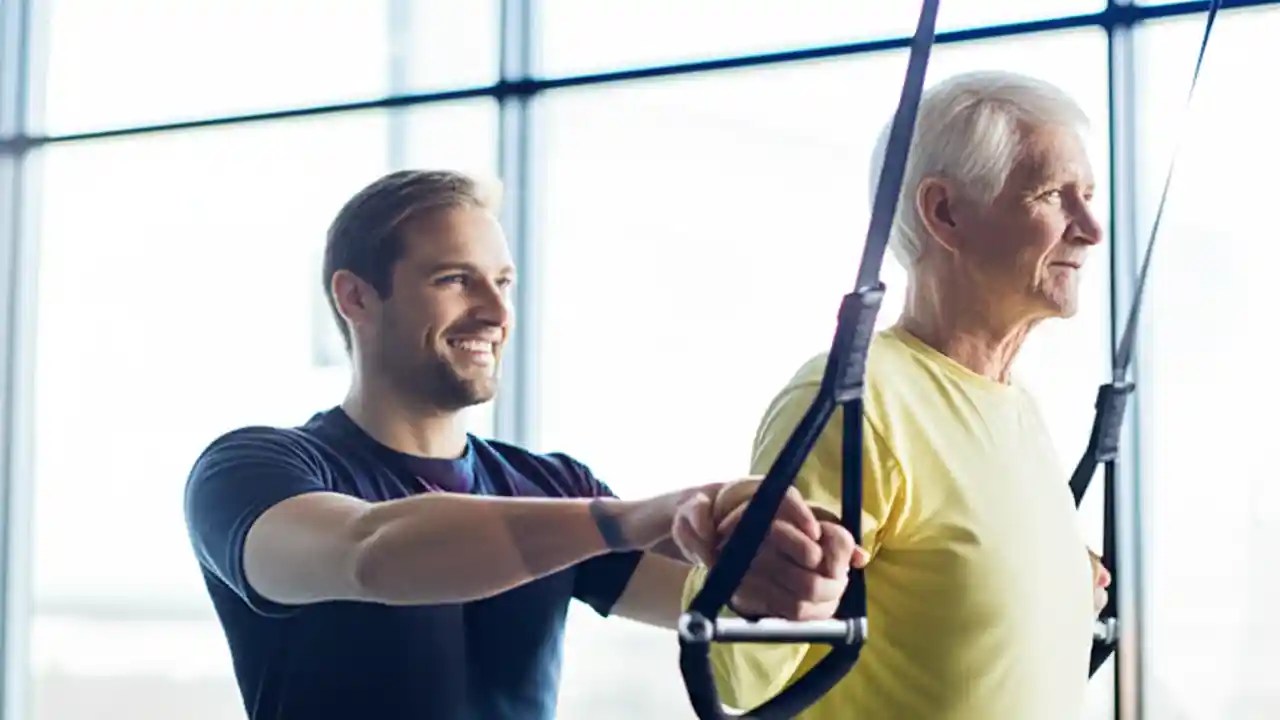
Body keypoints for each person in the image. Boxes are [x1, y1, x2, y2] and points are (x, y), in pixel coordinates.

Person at [182, 169, 861, 720]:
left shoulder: (550, 488)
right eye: (454, 279)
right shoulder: (253, 471)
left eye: (502, 282)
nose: (497, 313)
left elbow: (714, 608)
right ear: (356, 297)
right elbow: (370, 553)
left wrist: (778, 566)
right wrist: (625, 518)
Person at [679, 70, 1114, 720]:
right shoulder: (862, 401)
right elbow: (736, 677)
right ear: (944, 212)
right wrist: (755, 592)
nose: (1090, 228)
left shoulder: (1016, 406)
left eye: (1089, 195)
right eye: (1054, 195)